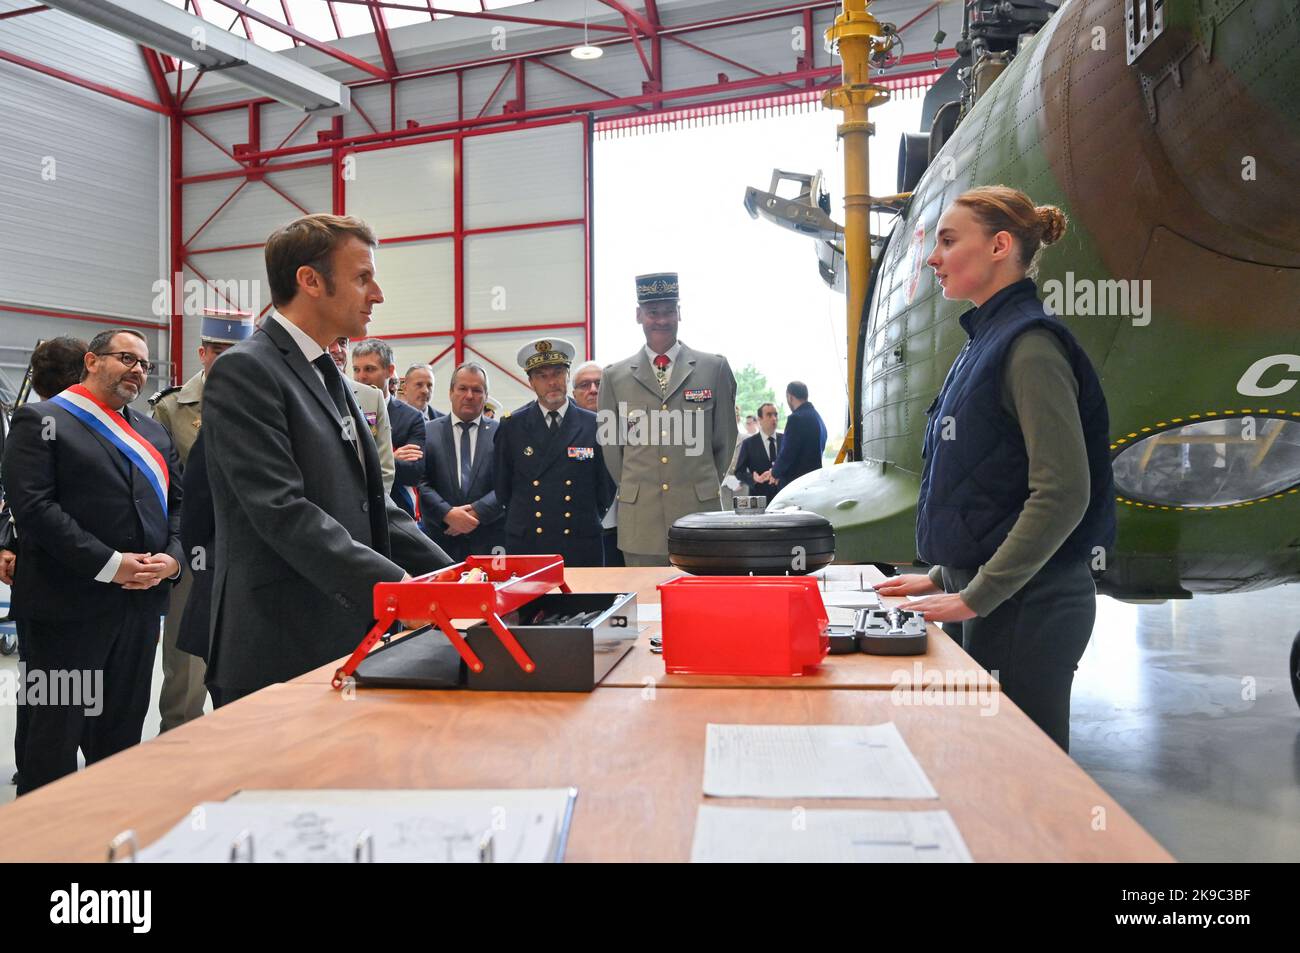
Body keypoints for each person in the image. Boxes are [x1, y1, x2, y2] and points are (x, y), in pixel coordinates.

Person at [873, 185, 1116, 752]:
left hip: (1029, 606)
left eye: (949, 241)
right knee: (985, 767)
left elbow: (1062, 492)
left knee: (1024, 779)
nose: (933, 257)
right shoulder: (988, 340)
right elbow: (988, 488)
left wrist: (977, 593)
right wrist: (944, 576)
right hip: (994, 595)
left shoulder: (1029, 347)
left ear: (1000, 246)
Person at [201, 213, 451, 704]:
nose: (376, 294)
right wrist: (399, 587)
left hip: (338, 632)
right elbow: (283, 511)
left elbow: (371, 503)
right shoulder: (246, 371)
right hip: (278, 643)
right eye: (362, 278)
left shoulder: (322, 369)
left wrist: (457, 576)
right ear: (310, 281)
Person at [3, 330, 183, 794]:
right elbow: (36, 511)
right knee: (53, 743)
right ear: (91, 361)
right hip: (65, 614)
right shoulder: (41, 421)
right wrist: (111, 564)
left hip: (139, 612)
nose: (138, 370)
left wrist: (172, 561)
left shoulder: (152, 432)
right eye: (126, 358)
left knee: (120, 740)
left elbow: (183, 506)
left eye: (144, 364)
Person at [148, 310, 252, 732]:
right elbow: (161, 484)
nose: (227, 359)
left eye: (237, 351)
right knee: (185, 659)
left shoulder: (265, 400)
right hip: (195, 547)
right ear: (202, 352)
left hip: (250, 547)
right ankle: (180, 739)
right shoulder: (172, 408)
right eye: (219, 351)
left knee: (244, 650)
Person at [597, 273, 737, 566]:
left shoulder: (714, 368)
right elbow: (612, 450)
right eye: (652, 313)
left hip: (699, 514)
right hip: (641, 521)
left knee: (700, 602)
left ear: (679, 313)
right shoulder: (614, 377)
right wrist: (637, 486)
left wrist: (701, 483)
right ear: (639, 316)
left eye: (668, 311)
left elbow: (724, 440)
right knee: (647, 604)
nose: (661, 320)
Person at [1, 335, 88, 790]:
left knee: (42, 687)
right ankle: (36, 768)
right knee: (46, 687)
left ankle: (35, 765)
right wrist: (7, 543)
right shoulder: (38, 423)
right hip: (47, 581)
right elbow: (17, 500)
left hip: (61, 581)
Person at [495, 339, 614, 567]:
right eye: (542, 376)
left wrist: (587, 516)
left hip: (579, 538)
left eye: (558, 373)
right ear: (531, 382)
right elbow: (502, 487)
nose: (552, 382)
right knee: (531, 603)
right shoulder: (512, 426)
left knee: (583, 602)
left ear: (568, 376)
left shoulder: (594, 424)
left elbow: (606, 485)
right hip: (529, 540)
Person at [419, 363, 504, 563]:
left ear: (486, 395)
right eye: (462, 388)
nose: (469, 395)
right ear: (450, 392)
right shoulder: (427, 431)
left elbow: (508, 482)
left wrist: (476, 513)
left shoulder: (502, 433)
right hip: (441, 540)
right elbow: (421, 482)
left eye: (477, 390)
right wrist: (447, 513)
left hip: (489, 541)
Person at [352, 338, 426, 521]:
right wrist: (389, 458)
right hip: (355, 512)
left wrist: (366, 461)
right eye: (356, 369)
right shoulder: (344, 412)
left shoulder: (411, 418)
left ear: (390, 371)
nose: (361, 377)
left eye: (369, 369)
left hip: (396, 514)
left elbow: (414, 473)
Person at [327, 335, 394, 493]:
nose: (337, 350)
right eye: (330, 343)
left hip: (365, 507)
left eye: (343, 342)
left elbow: (385, 467)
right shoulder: (301, 393)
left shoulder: (372, 397)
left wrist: (376, 509)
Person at [572, 360, 622, 567]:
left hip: (623, 535)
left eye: (599, 383)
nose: (593, 390)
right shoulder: (562, 431)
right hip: (580, 535)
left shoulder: (630, 429)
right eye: (585, 385)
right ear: (574, 394)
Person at [768, 381, 826, 490]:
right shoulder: (818, 418)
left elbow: (788, 452)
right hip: (813, 481)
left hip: (797, 484)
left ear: (790, 397)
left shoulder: (796, 418)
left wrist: (775, 472)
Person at [735, 402, 784, 504]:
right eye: (769, 415)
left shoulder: (786, 440)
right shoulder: (749, 443)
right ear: (760, 420)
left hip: (782, 498)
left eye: (775, 415)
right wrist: (753, 478)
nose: (774, 418)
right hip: (758, 500)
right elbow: (739, 472)